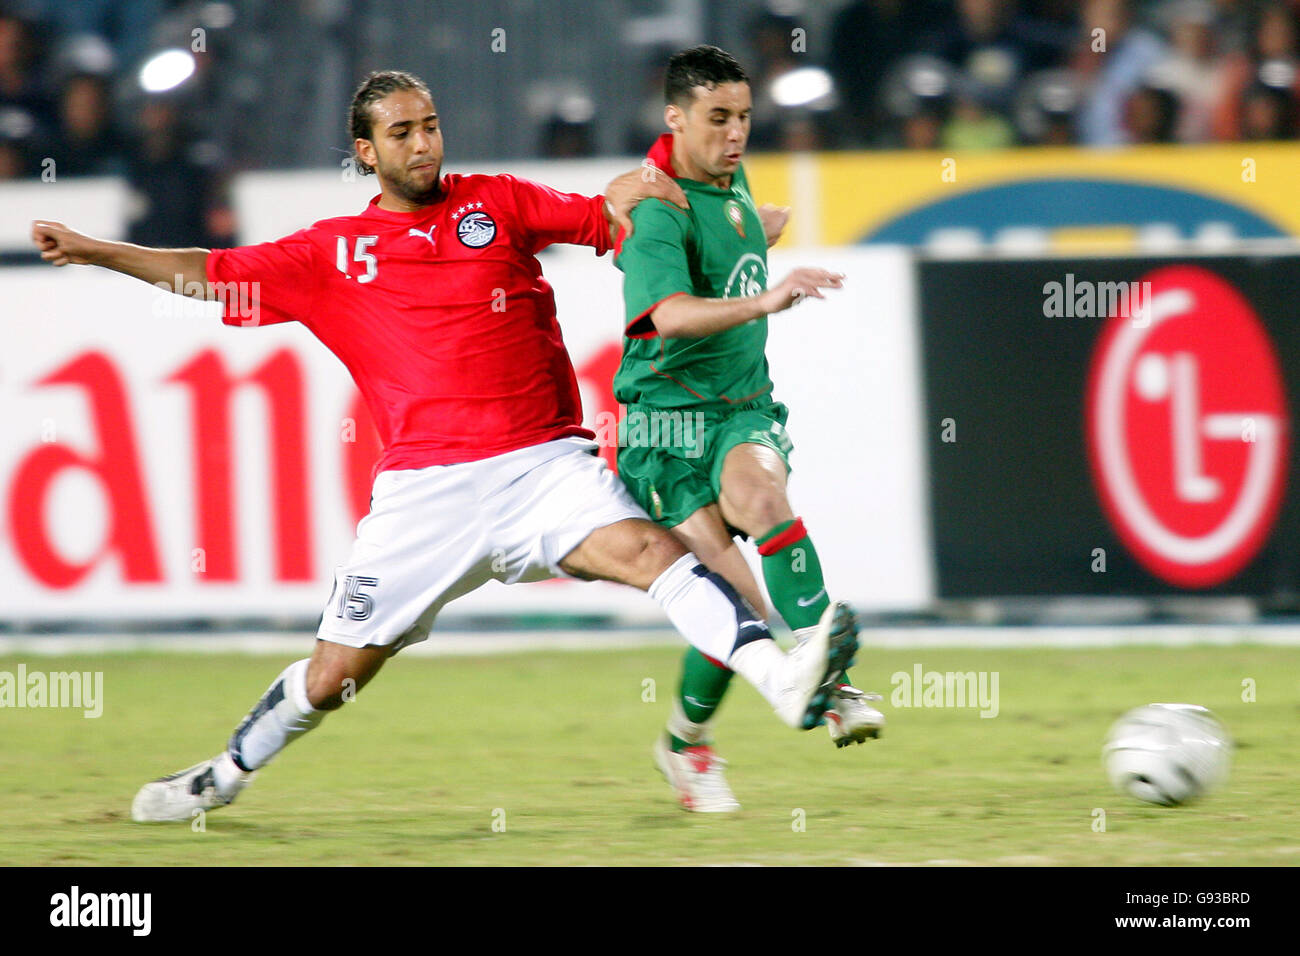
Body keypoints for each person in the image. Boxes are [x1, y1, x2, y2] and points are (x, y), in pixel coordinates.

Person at [31, 69, 860, 823]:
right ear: (366, 150)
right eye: (402, 132)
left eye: (430, 125)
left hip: (543, 467)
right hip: (423, 497)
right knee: (333, 680)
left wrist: (647, 195)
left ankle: (785, 679)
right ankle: (222, 776)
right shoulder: (329, 255)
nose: (423, 143)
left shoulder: (495, 203)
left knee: (654, 552)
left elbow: (621, 226)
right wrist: (101, 251)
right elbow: (210, 273)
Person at [612, 46, 885, 813]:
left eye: (744, 119)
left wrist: (757, 233)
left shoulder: (727, 179)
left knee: (763, 496)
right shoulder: (655, 210)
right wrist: (767, 298)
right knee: (736, 616)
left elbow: (731, 232)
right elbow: (666, 318)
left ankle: (829, 677)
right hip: (665, 433)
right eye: (718, 119)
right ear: (676, 119)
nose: (735, 135)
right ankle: (683, 747)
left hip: (742, 409)